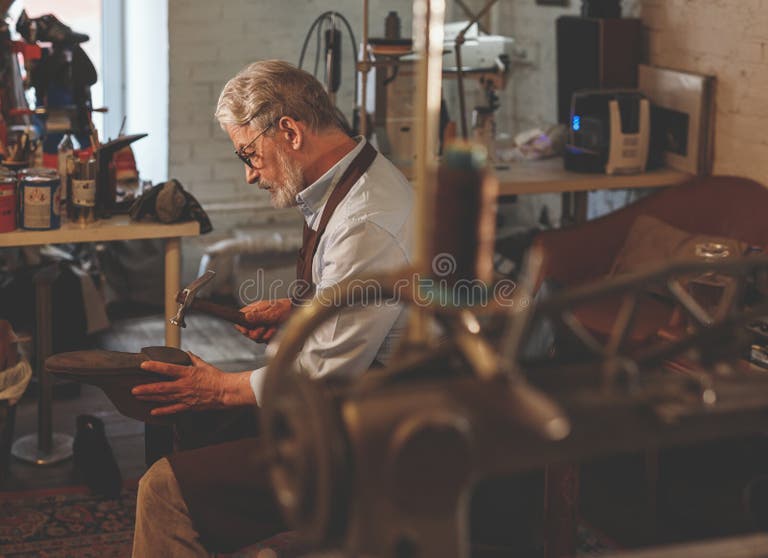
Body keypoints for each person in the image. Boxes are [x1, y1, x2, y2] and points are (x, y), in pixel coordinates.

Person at [130, 60, 413, 556]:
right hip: (344, 402)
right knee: (186, 423)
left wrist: (220, 388)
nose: (247, 174)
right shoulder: (345, 180)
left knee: (163, 491)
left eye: (248, 153)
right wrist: (300, 309)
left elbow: (323, 374)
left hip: (368, 431)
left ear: (288, 130)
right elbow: (358, 298)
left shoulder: (366, 219)